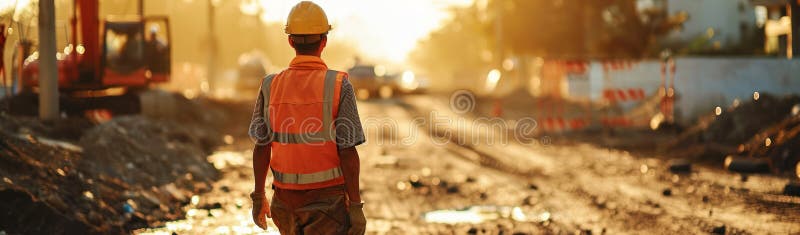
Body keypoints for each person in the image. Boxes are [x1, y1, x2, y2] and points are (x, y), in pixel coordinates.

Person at [248, 1, 367, 234]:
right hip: (327, 205)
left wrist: (258, 196)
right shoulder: (338, 85)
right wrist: (355, 206)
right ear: (324, 41)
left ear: (291, 41)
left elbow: (261, 146)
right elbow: (348, 151)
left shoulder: (270, 85)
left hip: (283, 203)